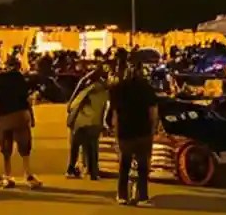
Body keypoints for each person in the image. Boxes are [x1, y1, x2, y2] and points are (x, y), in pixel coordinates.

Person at [107, 54, 159, 206]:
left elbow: (114, 113)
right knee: (143, 166)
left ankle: (122, 195)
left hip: (125, 131)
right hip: (142, 131)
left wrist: (115, 130)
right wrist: (153, 128)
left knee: (124, 164)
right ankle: (142, 197)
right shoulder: (147, 88)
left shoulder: (117, 88)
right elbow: (153, 112)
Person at [0, 56, 41, 189]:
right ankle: (28, 174)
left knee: (6, 148)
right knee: (25, 147)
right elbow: (26, 99)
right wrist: (31, 118)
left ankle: (8, 175)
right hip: (20, 115)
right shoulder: (20, 78)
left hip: (4, 117)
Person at [65, 68, 109, 179]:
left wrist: (81, 83)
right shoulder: (105, 92)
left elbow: (73, 105)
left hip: (82, 122)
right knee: (92, 147)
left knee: (75, 145)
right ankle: (93, 172)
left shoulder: (88, 90)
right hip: (95, 122)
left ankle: (71, 169)